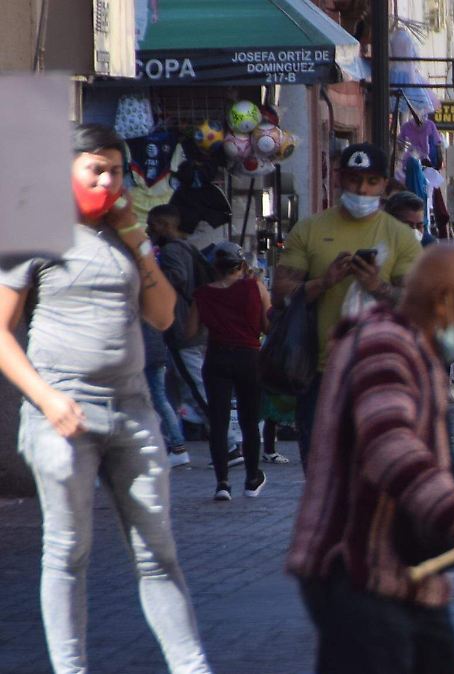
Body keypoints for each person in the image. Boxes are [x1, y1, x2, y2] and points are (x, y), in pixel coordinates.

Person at [0, 124, 211, 673]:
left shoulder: (125, 237)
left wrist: (137, 238)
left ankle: (193, 667)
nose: (107, 180)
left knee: (158, 553)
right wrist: (45, 399)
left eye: (116, 170)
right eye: (95, 168)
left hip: (134, 412)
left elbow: (164, 317)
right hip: (61, 413)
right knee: (68, 552)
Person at [287, 246, 454, 674]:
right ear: (444, 299)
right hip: (358, 570)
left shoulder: (412, 347)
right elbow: (389, 443)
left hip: (409, 574)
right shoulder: (385, 344)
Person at [274, 142, 423, 471]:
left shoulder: (401, 237)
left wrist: (377, 287)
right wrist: (323, 282)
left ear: (384, 184)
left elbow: (419, 305)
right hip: (319, 373)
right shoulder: (310, 229)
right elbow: (280, 294)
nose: (362, 189)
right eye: (355, 179)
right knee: (320, 475)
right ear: (339, 178)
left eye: (371, 181)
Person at [194, 242, 271, 500]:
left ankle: (223, 483)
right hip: (249, 356)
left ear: (215, 267)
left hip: (216, 357)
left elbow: (188, 332)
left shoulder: (202, 294)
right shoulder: (255, 288)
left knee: (218, 422)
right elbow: (268, 326)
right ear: (241, 266)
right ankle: (251, 478)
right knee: (250, 421)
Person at [147, 204, 213, 441]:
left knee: (194, 385)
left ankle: (224, 437)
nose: (149, 229)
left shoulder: (173, 251)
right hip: (187, 326)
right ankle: (178, 437)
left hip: (183, 328)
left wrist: (151, 276)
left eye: (152, 224)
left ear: (165, 226)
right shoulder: (186, 247)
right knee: (177, 385)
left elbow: (178, 278)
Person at [142, 320, 190, 467]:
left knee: (154, 399)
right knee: (159, 398)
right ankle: (176, 445)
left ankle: (176, 445)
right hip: (157, 351)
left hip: (145, 353)